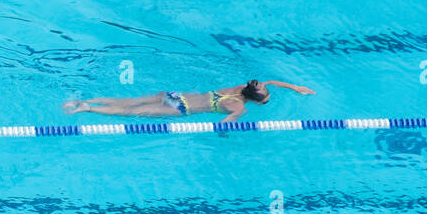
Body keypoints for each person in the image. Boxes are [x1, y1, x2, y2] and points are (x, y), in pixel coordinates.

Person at [63, 79, 314, 121]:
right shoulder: (238, 107)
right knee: (131, 113)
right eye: (266, 100)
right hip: (182, 109)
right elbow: (224, 125)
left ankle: (86, 99)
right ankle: (87, 109)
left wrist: (295, 87)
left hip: (177, 96)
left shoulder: (238, 88)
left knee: (131, 101)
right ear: (255, 101)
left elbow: (269, 82)